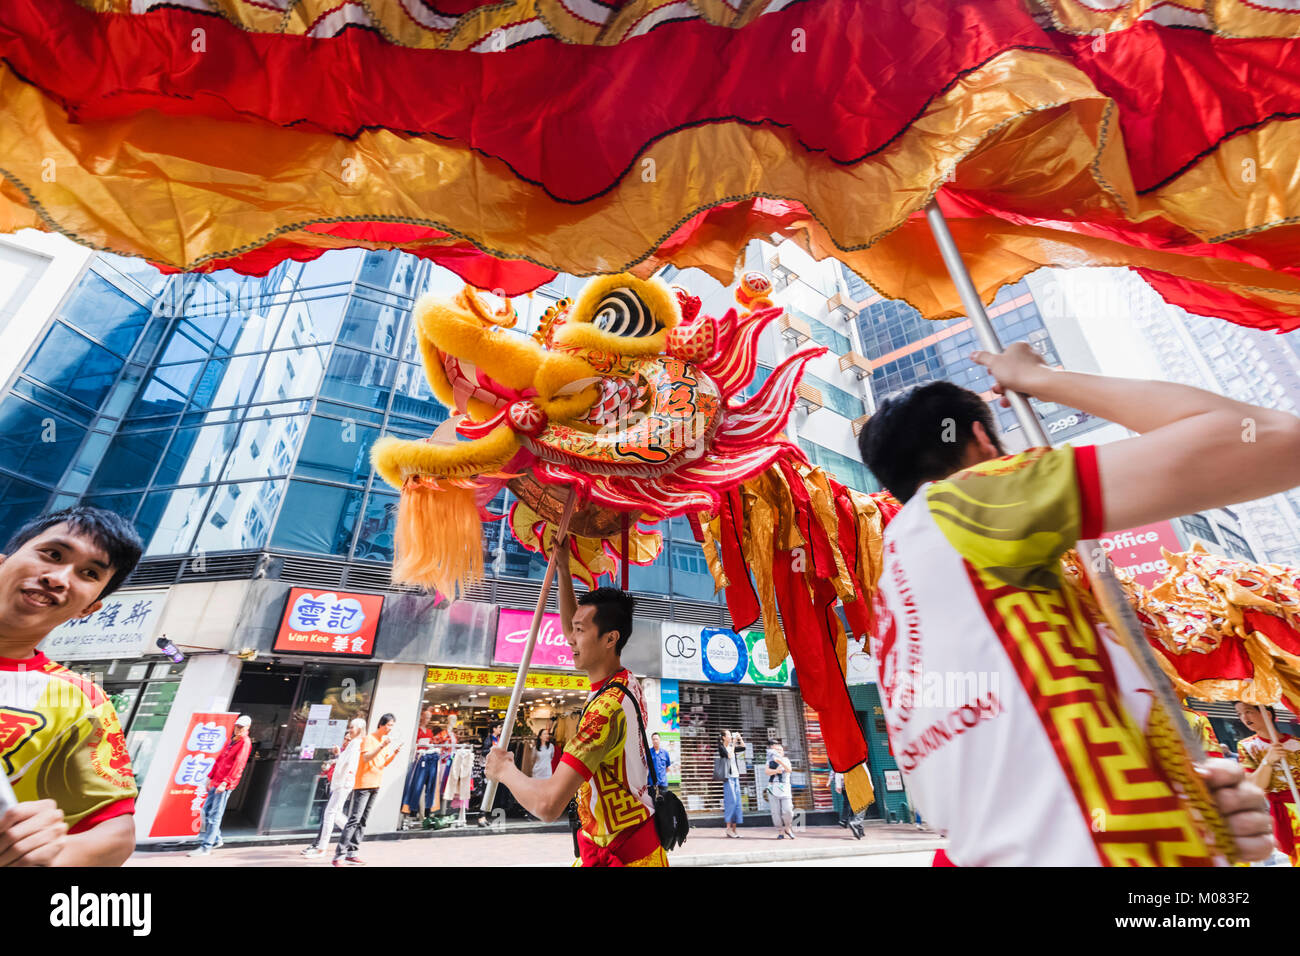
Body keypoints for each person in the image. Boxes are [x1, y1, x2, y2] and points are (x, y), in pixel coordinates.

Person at [856, 342, 1295, 865]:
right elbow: (1274, 440)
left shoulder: (901, 592)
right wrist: (1040, 378)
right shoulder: (968, 501)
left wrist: (1189, 800)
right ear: (982, 440)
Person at [484, 540, 663, 866]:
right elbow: (572, 625)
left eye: (580, 631)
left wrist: (505, 770)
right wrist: (564, 569)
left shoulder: (604, 711)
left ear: (610, 639)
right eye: (574, 629)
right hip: (636, 846)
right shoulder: (626, 683)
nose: (569, 638)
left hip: (621, 857)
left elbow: (549, 805)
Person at [0, 506, 142, 867]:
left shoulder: (80, 699)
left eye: (89, 573)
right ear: (4, 560)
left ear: (89, 608)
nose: (59, 578)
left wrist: (49, 852)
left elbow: (117, 832)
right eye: (53, 554)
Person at [1234, 701, 1300, 865]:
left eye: (1248, 711)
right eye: (1239, 714)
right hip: (1285, 810)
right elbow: (1255, 786)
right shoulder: (1247, 746)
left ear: (1267, 713)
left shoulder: (1297, 742)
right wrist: (1268, 761)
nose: (1244, 717)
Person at [333, 713, 402, 866]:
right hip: (363, 783)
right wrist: (382, 746)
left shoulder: (384, 742)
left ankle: (353, 852)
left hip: (376, 783)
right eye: (389, 725)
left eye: (392, 726)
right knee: (354, 819)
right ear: (381, 724)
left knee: (363, 820)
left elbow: (382, 763)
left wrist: (395, 753)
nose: (390, 728)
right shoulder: (369, 739)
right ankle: (339, 855)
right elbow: (366, 758)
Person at [188, 714, 253, 857]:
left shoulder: (245, 742)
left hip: (224, 784)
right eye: (237, 726)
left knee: (215, 815)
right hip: (216, 781)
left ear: (247, 728)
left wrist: (225, 783)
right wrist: (210, 777)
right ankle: (216, 839)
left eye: (241, 727)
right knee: (206, 810)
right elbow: (220, 760)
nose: (238, 729)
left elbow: (239, 765)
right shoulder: (232, 741)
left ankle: (207, 846)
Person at [302, 717, 366, 859]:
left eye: (352, 727)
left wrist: (338, 755)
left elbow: (349, 763)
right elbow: (346, 761)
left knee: (330, 814)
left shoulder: (355, 744)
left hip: (343, 783)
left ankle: (321, 849)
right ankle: (352, 837)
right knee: (335, 814)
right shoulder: (355, 744)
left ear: (359, 729)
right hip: (342, 782)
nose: (350, 730)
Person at [718, 729, 745, 837]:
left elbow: (743, 747)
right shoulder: (721, 748)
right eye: (728, 735)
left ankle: (734, 830)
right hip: (728, 778)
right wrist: (733, 743)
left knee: (737, 803)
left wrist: (739, 738)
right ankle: (728, 828)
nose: (730, 736)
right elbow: (729, 755)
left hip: (736, 777)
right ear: (723, 737)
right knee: (731, 801)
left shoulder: (731, 747)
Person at [766, 740, 795, 839]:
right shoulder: (770, 760)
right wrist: (775, 770)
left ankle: (787, 827)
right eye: (776, 750)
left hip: (785, 787)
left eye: (780, 750)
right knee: (775, 812)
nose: (778, 752)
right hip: (773, 786)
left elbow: (789, 770)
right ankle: (780, 831)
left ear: (783, 752)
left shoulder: (786, 760)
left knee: (788, 810)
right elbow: (767, 771)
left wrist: (780, 761)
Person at [832, 771, 864, 839]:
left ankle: (847, 821)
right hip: (854, 783)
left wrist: (838, 785)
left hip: (845, 784)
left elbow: (837, 771)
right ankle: (854, 824)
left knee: (849, 803)